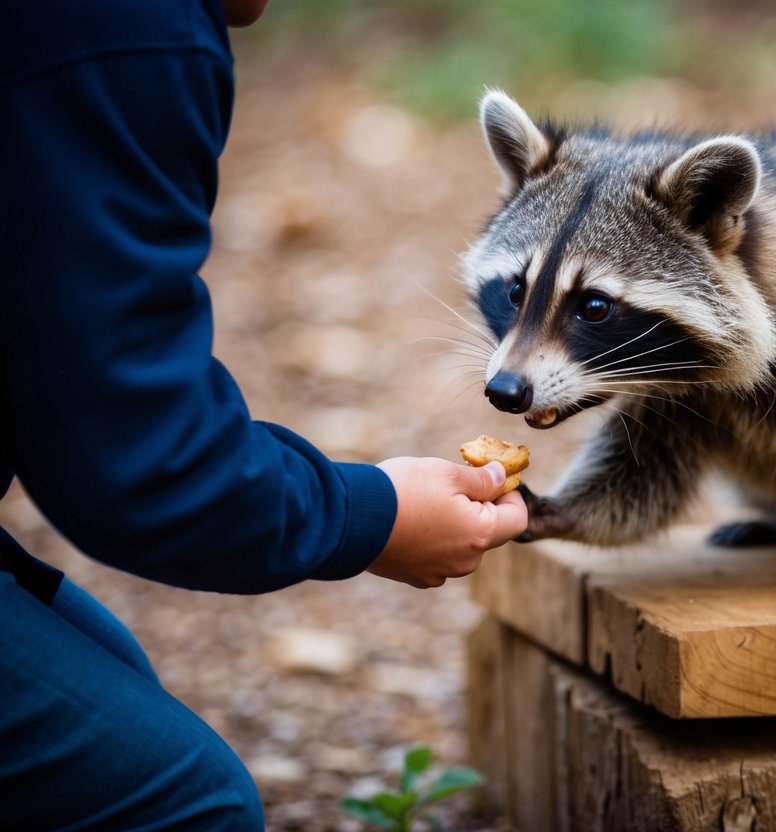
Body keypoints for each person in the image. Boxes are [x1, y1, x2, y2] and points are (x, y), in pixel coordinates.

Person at [0, 0, 528, 827]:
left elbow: (65, 375)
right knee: (188, 801)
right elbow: (136, 456)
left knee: (119, 677)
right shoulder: (126, 29)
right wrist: (372, 516)